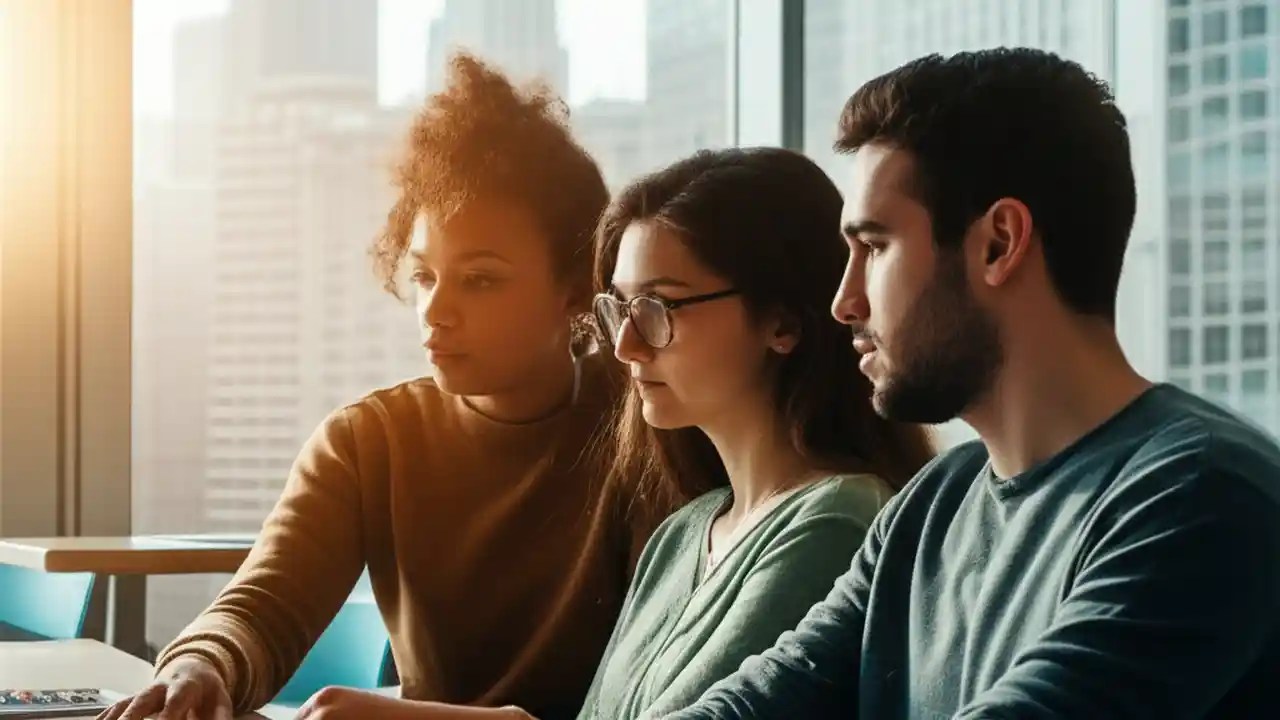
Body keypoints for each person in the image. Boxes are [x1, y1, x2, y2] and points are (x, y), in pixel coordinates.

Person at [668, 48, 1280, 719]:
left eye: (874, 247)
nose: (844, 301)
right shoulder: (935, 503)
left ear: (998, 243)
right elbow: (764, 701)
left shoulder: (1202, 495)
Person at [100, 53, 667, 720]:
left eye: (480, 279)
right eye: (425, 275)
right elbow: (267, 602)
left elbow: (661, 700)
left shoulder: (651, 430)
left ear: (575, 290)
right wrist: (202, 667)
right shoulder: (369, 441)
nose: (434, 309)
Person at [289, 148, 934, 720]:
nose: (624, 345)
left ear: (783, 324)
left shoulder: (840, 520)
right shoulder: (685, 533)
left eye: (658, 307)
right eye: (618, 308)